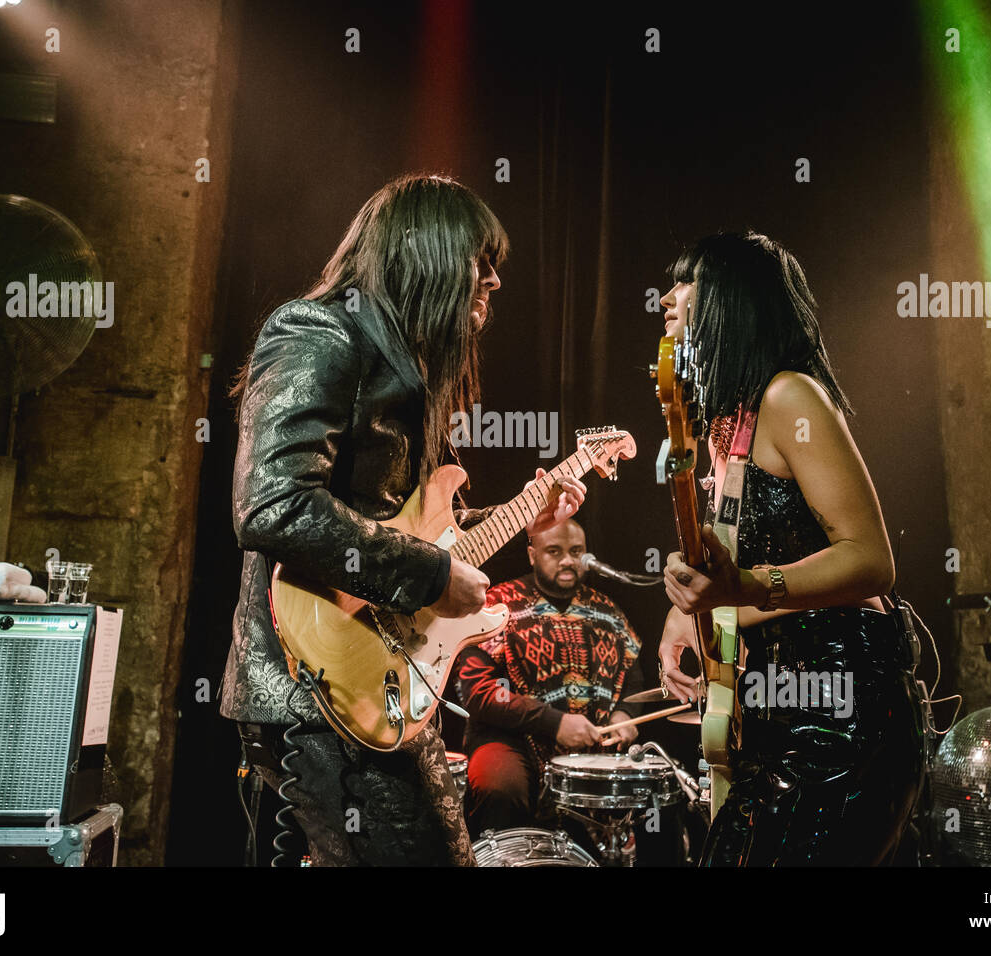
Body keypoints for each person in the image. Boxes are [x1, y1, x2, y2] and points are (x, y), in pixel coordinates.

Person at [219, 173, 585, 866]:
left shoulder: (407, 367)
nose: (494, 283)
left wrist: (525, 516)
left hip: (371, 677)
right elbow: (272, 503)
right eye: (483, 262)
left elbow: (401, 522)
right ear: (430, 253)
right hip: (313, 684)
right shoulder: (319, 331)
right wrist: (429, 575)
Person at [656, 230, 924, 866]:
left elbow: (871, 560)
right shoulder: (728, 426)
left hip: (844, 708)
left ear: (732, 301)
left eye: (686, 282)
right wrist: (685, 610)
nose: (666, 298)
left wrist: (744, 589)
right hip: (774, 710)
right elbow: (742, 576)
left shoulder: (787, 396)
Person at [454, 519, 643, 837]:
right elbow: (477, 691)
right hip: (509, 739)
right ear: (532, 555)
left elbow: (633, 679)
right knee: (499, 787)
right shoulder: (496, 606)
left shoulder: (607, 610)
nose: (568, 560)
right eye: (554, 551)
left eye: (576, 551)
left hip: (591, 744)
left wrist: (625, 715)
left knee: (656, 794)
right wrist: (553, 723)